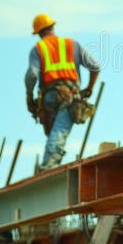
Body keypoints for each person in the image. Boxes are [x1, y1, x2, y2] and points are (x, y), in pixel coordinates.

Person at [25, 13, 101, 170]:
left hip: (48, 96)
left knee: (53, 131)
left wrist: (29, 95)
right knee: (59, 131)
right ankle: (49, 166)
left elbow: (32, 74)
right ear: (52, 27)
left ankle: (50, 162)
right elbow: (95, 67)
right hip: (69, 94)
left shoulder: (38, 49)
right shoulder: (71, 44)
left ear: (38, 32)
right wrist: (89, 88)